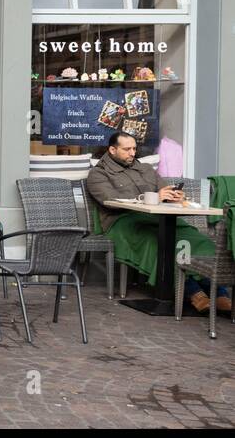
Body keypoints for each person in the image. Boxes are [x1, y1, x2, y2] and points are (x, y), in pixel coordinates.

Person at [84, 132, 230, 313]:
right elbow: (110, 200)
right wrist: (151, 197)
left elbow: (163, 190)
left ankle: (220, 293)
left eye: (134, 149)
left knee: (199, 241)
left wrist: (173, 195)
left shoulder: (145, 169)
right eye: (127, 149)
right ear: (112, 150)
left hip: (159, 218)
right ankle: (194, 293)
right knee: (161, 246)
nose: (132, 153)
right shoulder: (98, 174)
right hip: (123, 222)